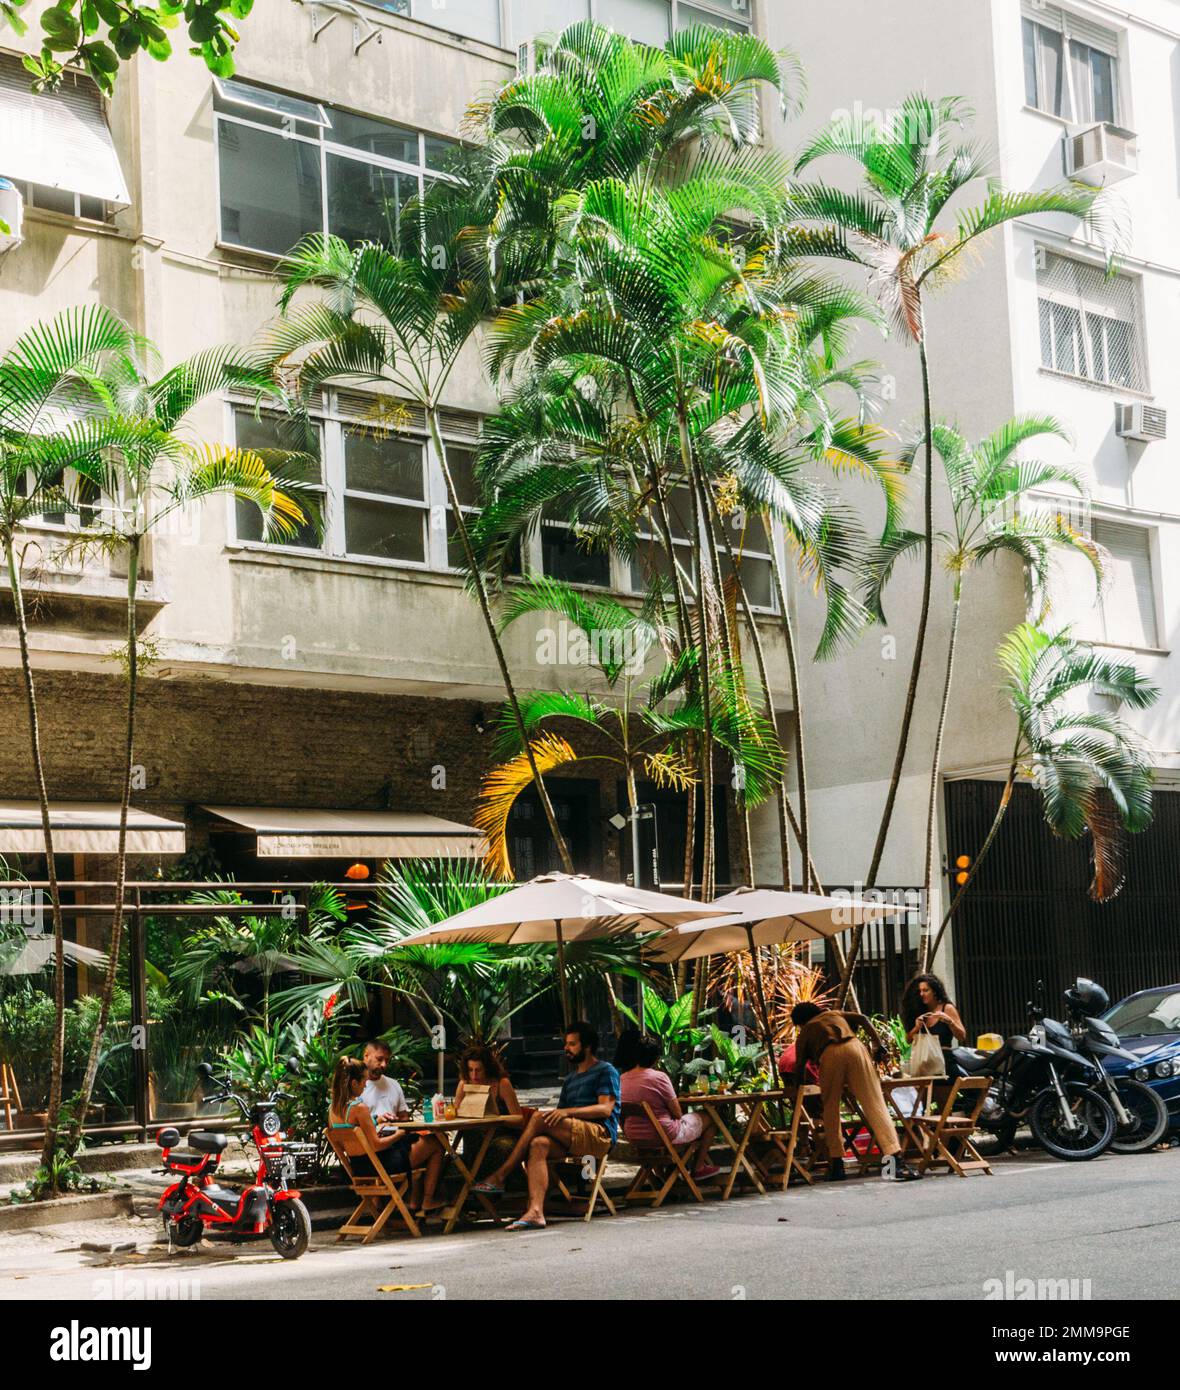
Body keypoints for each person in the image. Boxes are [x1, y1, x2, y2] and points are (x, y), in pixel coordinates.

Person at [472, 1021, 620, 1230]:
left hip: (598, 1136)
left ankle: (501, 1175)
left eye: (572, 1044)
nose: (566, 1048)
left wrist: (566, 1112)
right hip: (573, 1136)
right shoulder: (570, 1079)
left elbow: (605, 1109)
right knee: (538, 1143)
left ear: (587, 1047)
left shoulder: (606, 1070)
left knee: (539, 1119)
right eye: (566, 1044)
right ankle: (536, 1211)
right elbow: (556, 1119)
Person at [789, 1002, 921, 1183]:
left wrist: (797, 1088)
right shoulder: (834, 1014)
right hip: (856, 1048)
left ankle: (837, 1165)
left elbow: (800, 1066)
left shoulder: (806, 1031)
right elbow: (863, 1019)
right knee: (874, 1103)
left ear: (801, 1022)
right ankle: (895, 1161)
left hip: (829, 1054)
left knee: (830, 1108)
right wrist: (878, 1044)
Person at [329, 1055, 447, 1219]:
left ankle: (405, 1206)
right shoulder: (359, 1108)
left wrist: (376, 1121)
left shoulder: (333, 1109)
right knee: (435, 1143)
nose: (365, 1085)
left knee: (415, 1143)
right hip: (379, 1166)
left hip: (358, 1167)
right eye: (363, 1080)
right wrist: (399, 1134)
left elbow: (348, 1140)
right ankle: (426, 1200)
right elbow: (377, 1145)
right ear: (354, 1083)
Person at [620, 1035, 721, 1181]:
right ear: (656, 1059)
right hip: (663, 1136)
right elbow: (678, 1113)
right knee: (710, 1118)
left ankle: (664, 1177)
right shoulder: (659, 1077)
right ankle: (698, 1167)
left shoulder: (622, 1079)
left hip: (635, 1137)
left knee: (678, 1126)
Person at [901, 973, 966, 1077]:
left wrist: (950, 1022)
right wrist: (917, 1027)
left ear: (935, 991)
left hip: (945, 1064)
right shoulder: (920, 1012)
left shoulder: (947, 1008)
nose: (922, 994)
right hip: (924, 1066)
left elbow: (962, 1036)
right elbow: (908, 1040)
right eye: (920, 991)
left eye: (926, 990)